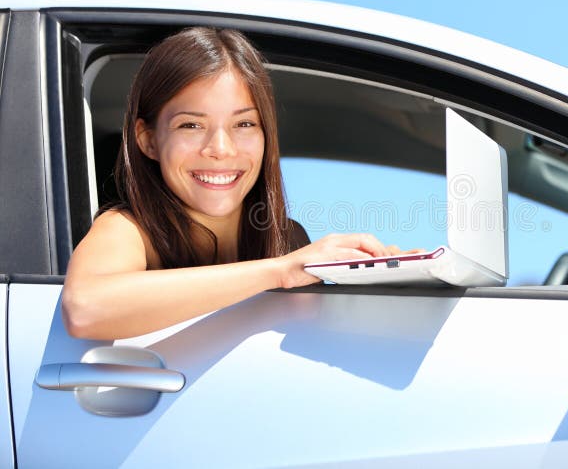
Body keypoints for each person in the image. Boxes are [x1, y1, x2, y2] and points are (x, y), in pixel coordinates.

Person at [63, 27, 413, 340]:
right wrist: (281, 271)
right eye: (191, 125)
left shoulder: (286, 237)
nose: (220, 149)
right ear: (148, 140)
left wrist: (384, 280)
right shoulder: (126, 229)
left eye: (244, 125)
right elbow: (84, 309)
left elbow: (309, 341)